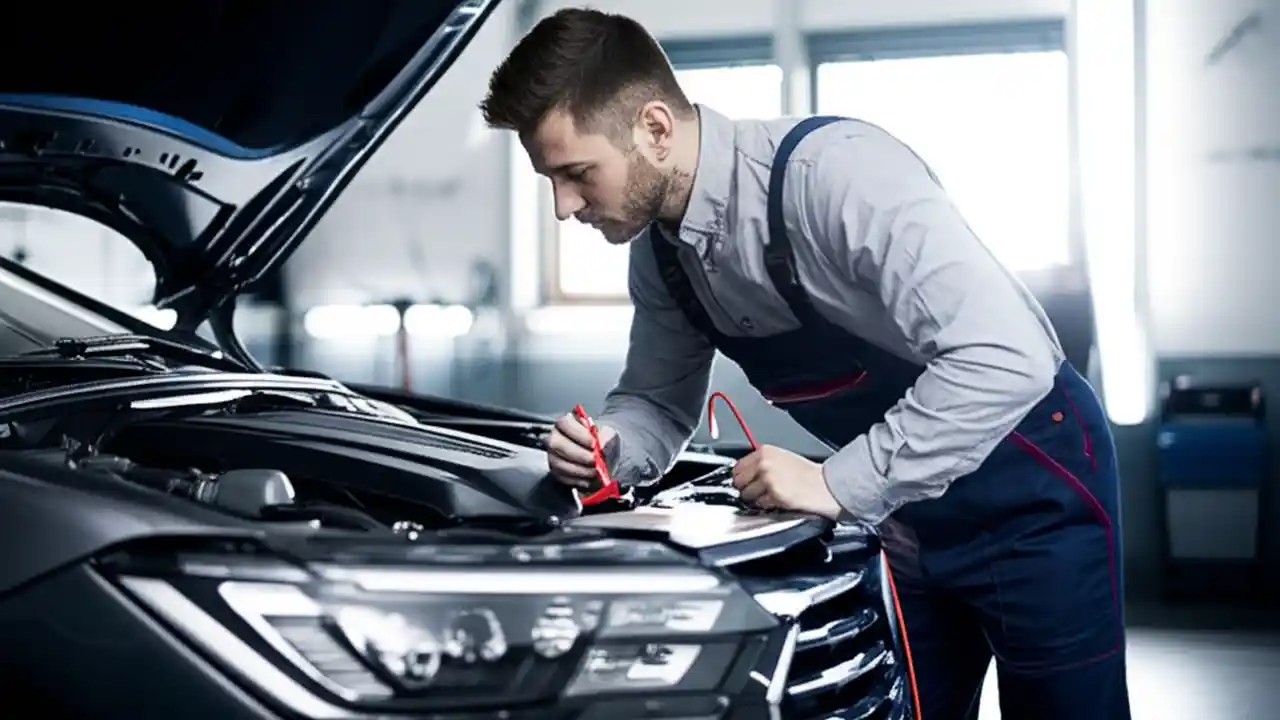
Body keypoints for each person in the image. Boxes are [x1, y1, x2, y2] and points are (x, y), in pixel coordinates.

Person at [480, 7, 1131, 719]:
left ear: (655, 129)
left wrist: (836, 481)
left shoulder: (838, 176)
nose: (564, 207)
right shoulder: (660, 254)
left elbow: (1008, 357)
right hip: (907, 518)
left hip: (1036, 492)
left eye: (576, 174)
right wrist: (611, 445)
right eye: (551, 180)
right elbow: (656, 404)